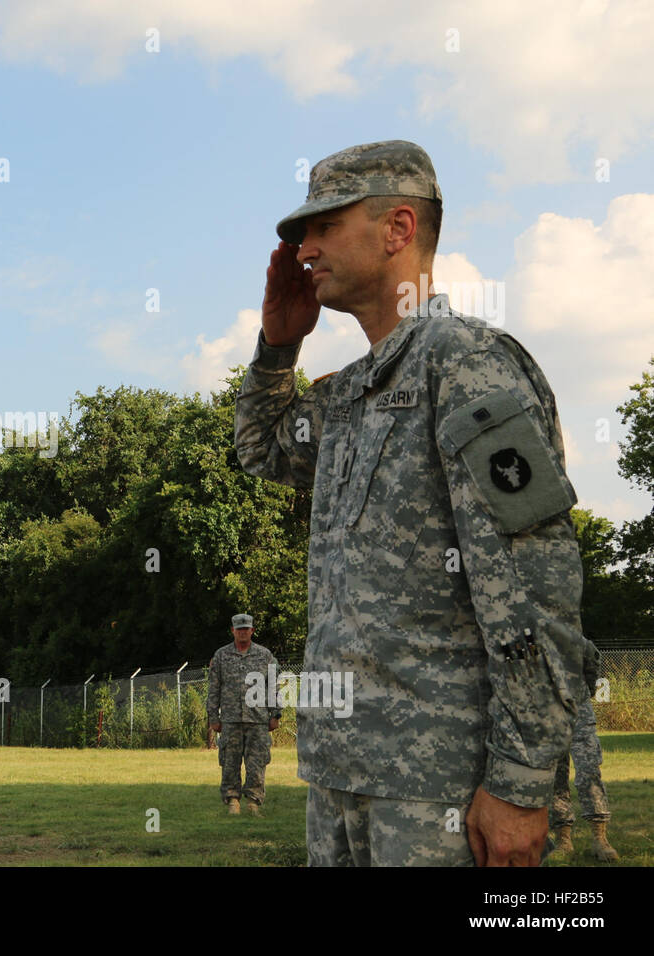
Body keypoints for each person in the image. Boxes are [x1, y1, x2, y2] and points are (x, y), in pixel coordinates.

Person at [234, 140, 585, 866]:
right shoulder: (348, 395)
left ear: (398, 229)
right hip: (341, 777)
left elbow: (534, 587)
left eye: (325, 225)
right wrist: (277, 347)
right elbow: (262, 449)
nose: (304, 248)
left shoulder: (466, 363)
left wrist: (521, 783)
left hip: (440, 792)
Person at [549, 638, 619, 860]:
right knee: (556, 779)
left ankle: (600, 839)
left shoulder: (575, 638)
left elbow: (592, 664)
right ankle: (563, 840)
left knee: (589, 770)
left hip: (580, 714)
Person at [207, 613, 281, 817]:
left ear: (252, 631)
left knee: (257, 763)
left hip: (258, 719)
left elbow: (273, 685)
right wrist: (213, 716)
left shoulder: (265, 655)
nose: (242, 632)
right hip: (230, 718)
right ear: (233, 631)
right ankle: (233, 801)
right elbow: (214, 688)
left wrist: (276, 714)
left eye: (245, 629)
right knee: (229, 761)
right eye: (238, 629)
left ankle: (253, 803)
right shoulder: (221, 656)